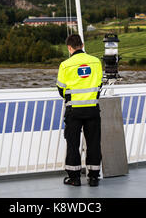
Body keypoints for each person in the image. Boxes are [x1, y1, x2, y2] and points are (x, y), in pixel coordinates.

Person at [56, 33, 103, 187]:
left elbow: (61, 89)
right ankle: (94, 177)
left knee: (72, 144)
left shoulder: (65, 65)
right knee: (94, 143)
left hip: (74, 111)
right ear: (82, 46)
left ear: (69, 48)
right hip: (92, 109)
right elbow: (99, 84)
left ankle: (74, 178)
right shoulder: (96, 62)